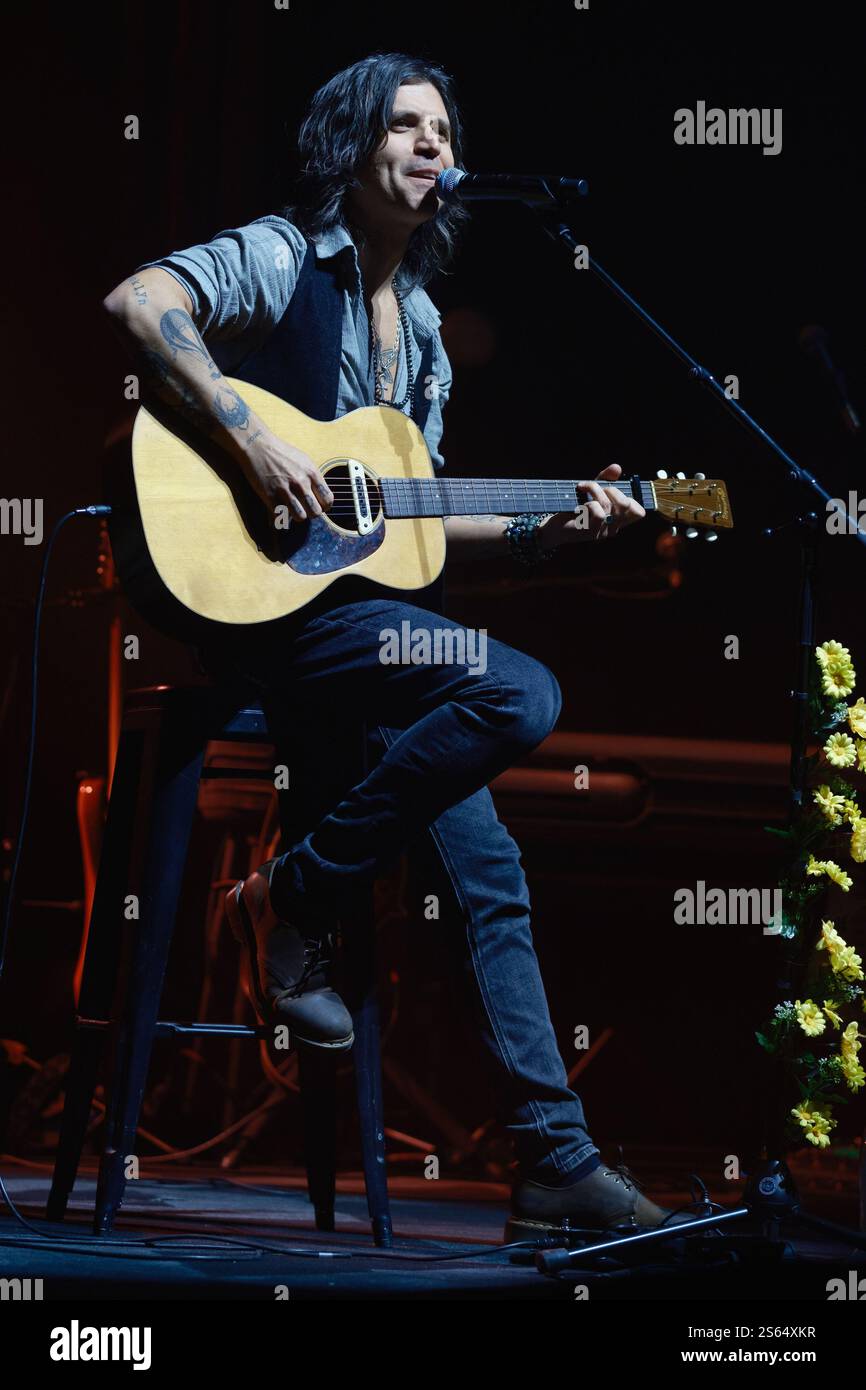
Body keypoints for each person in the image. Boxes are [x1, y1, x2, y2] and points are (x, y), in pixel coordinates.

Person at [103, 51, 693, 1236]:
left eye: (443, 129)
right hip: (251, 609)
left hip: (360, 624)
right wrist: (253, 446)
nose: (432, 144)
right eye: (406, 124)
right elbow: (138, 303)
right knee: (516, 693)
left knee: (489, 873)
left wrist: (556, 531)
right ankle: (295, 896)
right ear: (351, 141)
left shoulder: (417, 325)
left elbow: (410, 536)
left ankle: (549, 1158)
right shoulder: (283, 252)